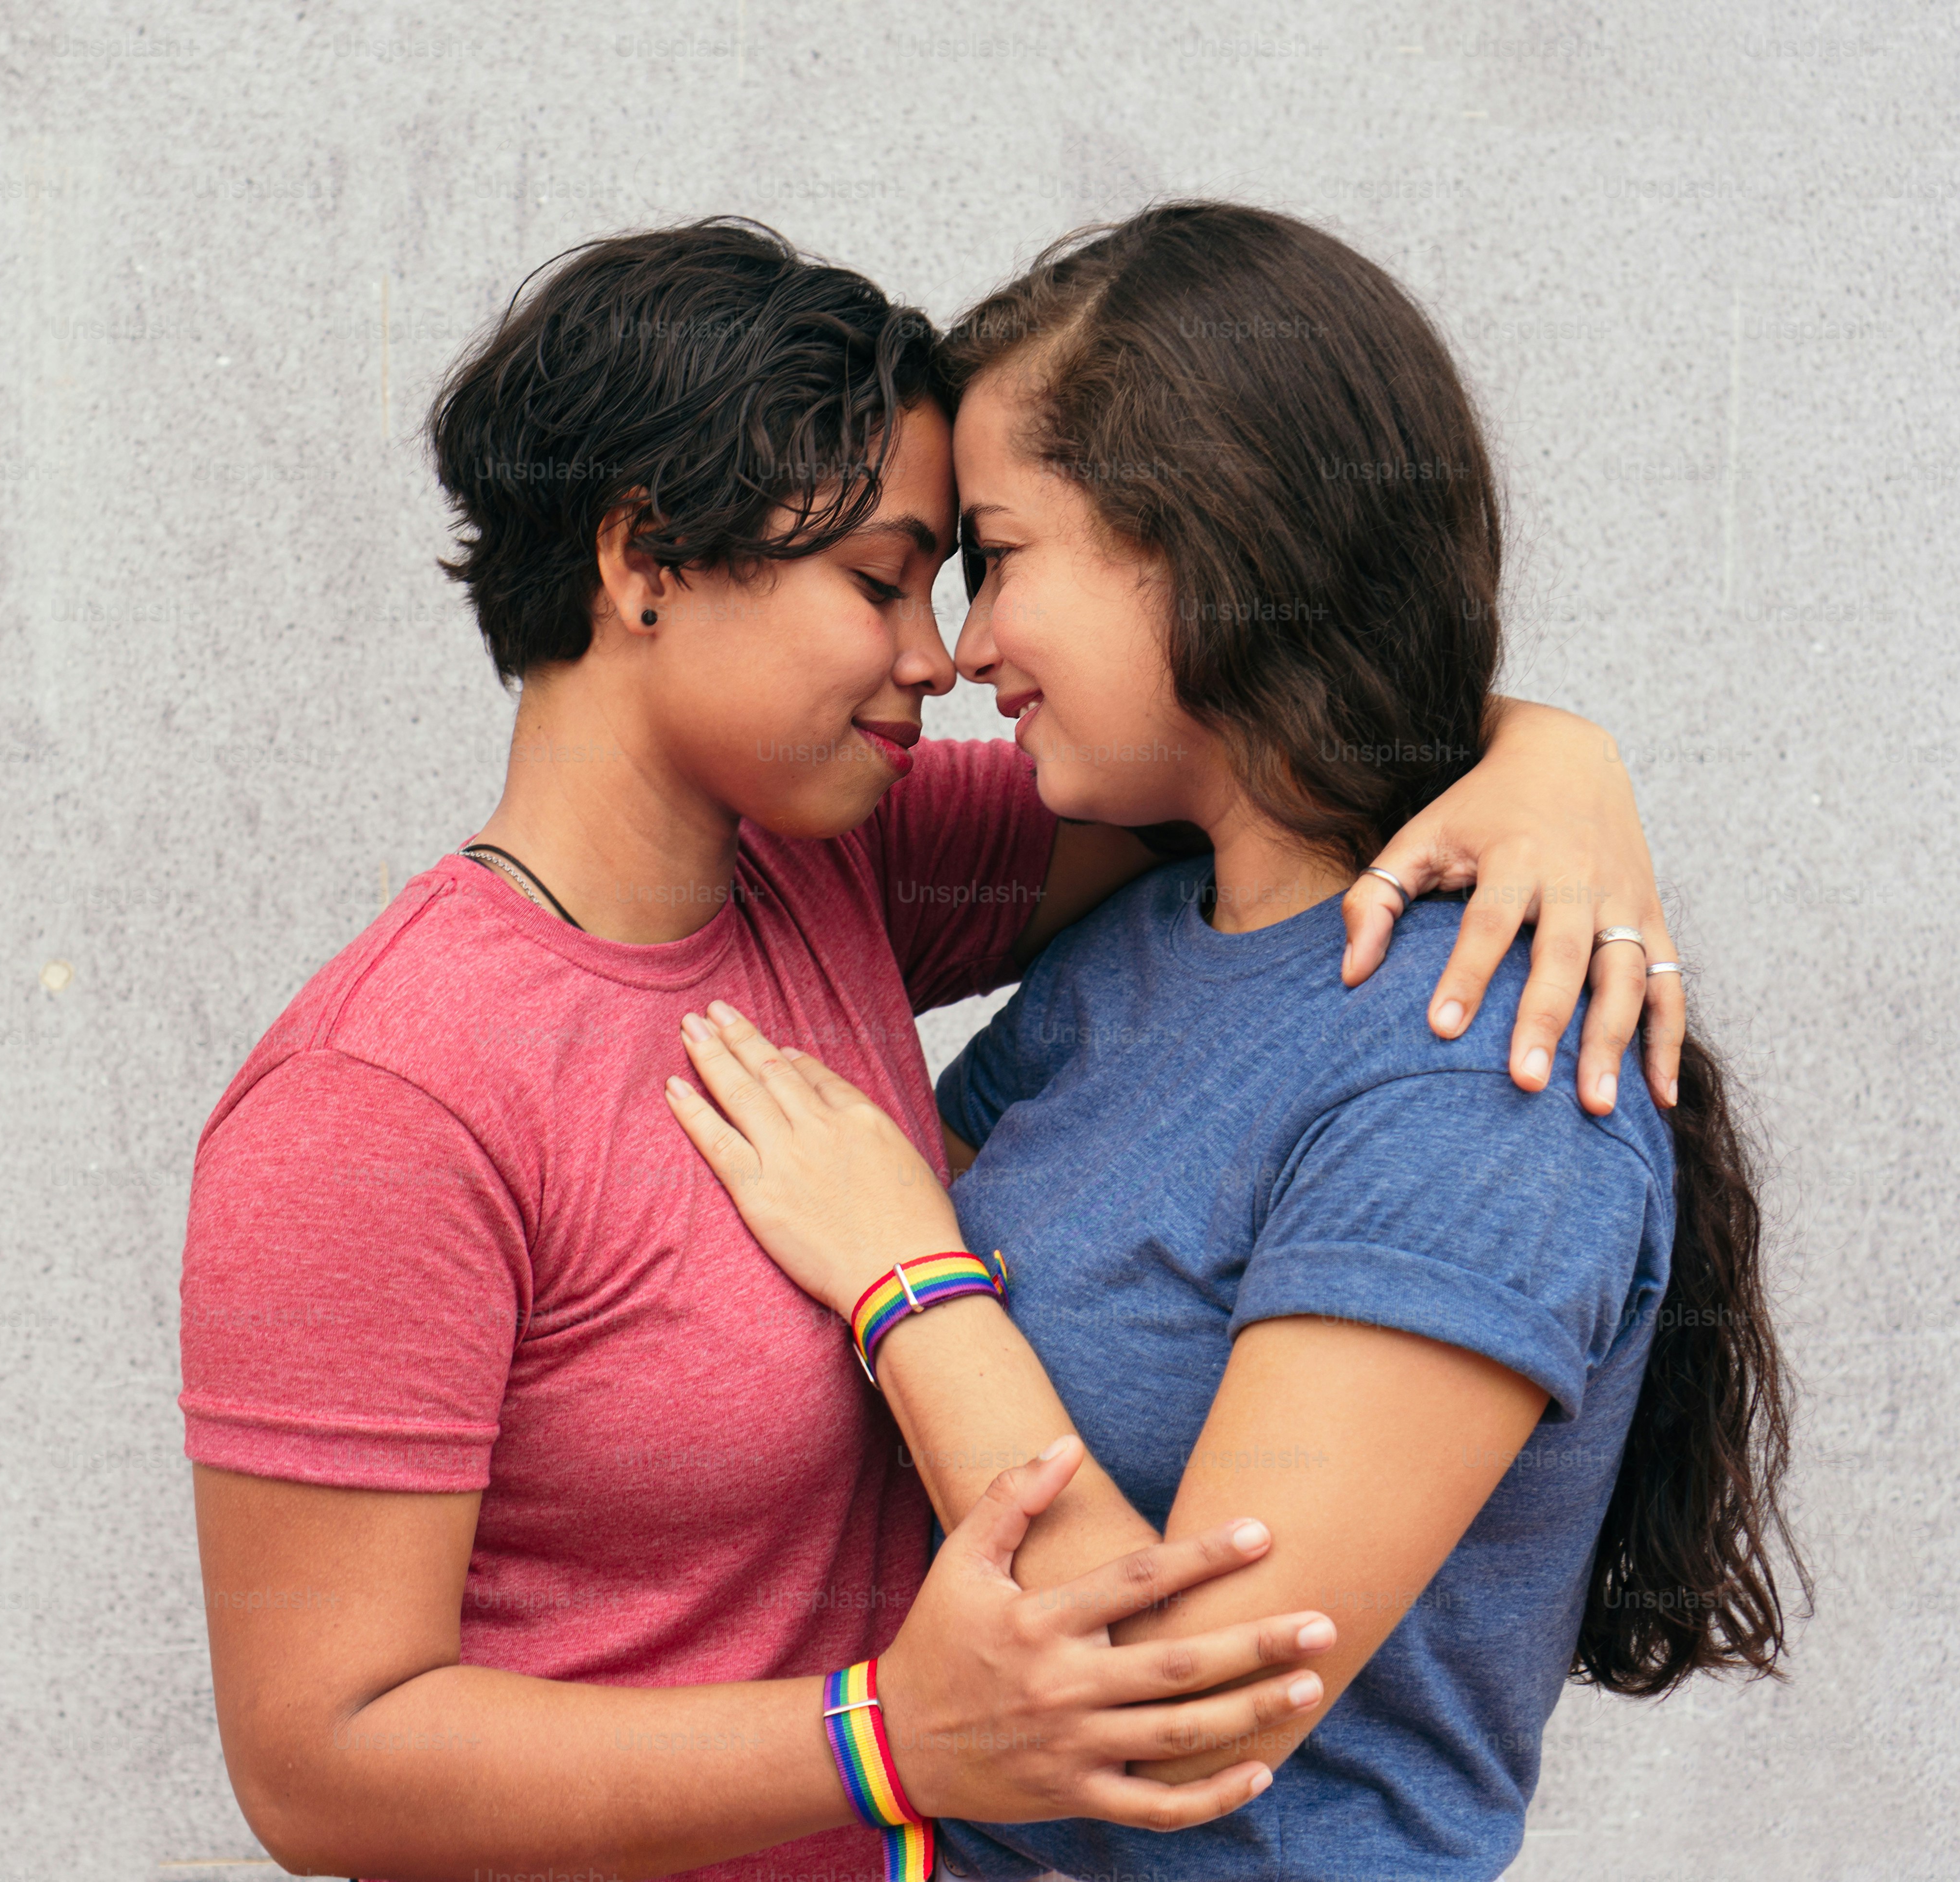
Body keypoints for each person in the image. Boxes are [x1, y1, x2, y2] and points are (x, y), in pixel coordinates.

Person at [182, 218, 1679, 1882]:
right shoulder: (382, 1098)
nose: (941, 657)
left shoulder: (848, 874)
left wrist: (1562, 763)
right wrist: (884, 1740)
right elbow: (316, 1768)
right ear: (644, 564)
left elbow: (1291, 727)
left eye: (972, 571)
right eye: (885, 580)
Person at [663, 203, 1796, 1882]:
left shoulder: (1484, 1069)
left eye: (1004, 557)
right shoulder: (1145, 944)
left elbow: (1182, 1712)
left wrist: (905, 1275)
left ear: (1211, 543)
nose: (966, 651)